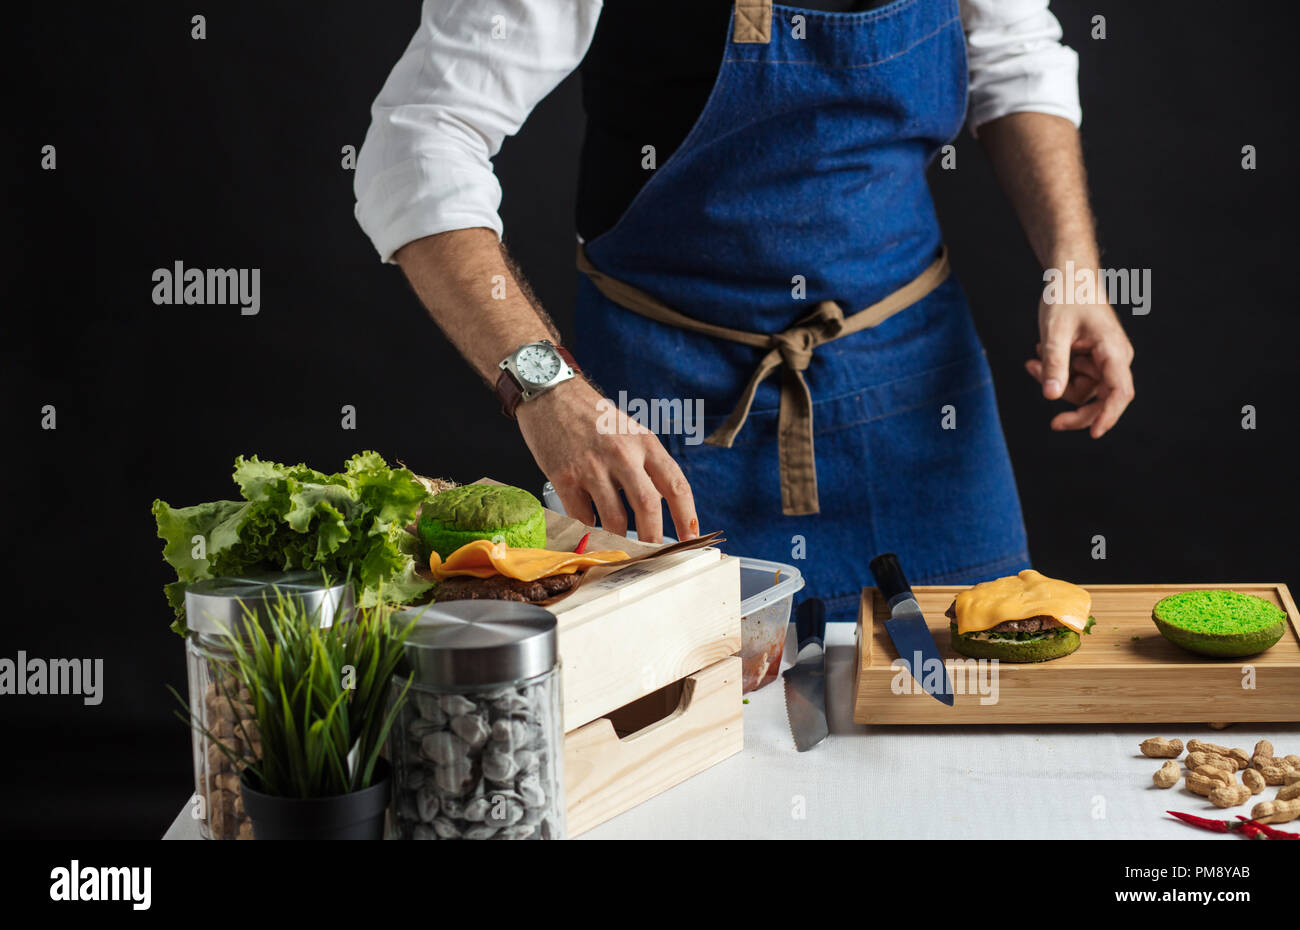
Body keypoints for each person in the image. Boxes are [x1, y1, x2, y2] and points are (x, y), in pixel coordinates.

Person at [354, 0, 1135, 619]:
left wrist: (1074, 270)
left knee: (974, 707)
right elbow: (420, 136)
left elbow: (1016, 54)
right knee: (679, 756)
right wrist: (544, 386)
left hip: (916, 392)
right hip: (659, 419)